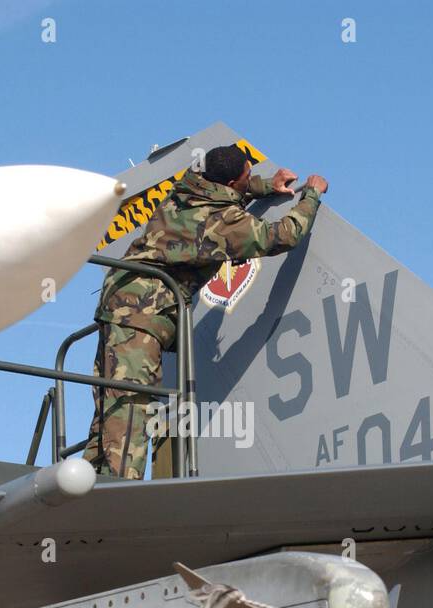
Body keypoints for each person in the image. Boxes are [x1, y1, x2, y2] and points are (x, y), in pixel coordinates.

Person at [83, 144, 327, 479]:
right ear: (232, 181)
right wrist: (311, 194)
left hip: (120, 304)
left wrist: (265, 185)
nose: (249, 179)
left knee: (110, 400)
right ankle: (118, 491)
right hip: (142, 312)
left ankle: (89, 481)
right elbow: (284, 235)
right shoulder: (222, 223)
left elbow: (225, 188)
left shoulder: (186, 188)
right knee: (131, 404)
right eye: (247, 175)